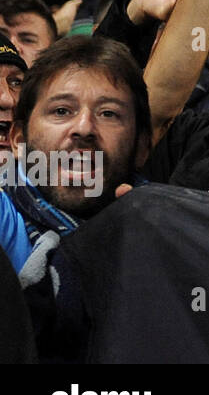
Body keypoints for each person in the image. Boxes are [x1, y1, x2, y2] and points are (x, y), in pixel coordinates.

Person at [0, 35, 151, 274]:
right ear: (19, 140)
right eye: (61, 110)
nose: (84, 127)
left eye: (108, 113)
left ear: (142, 147)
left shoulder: (164, 233)